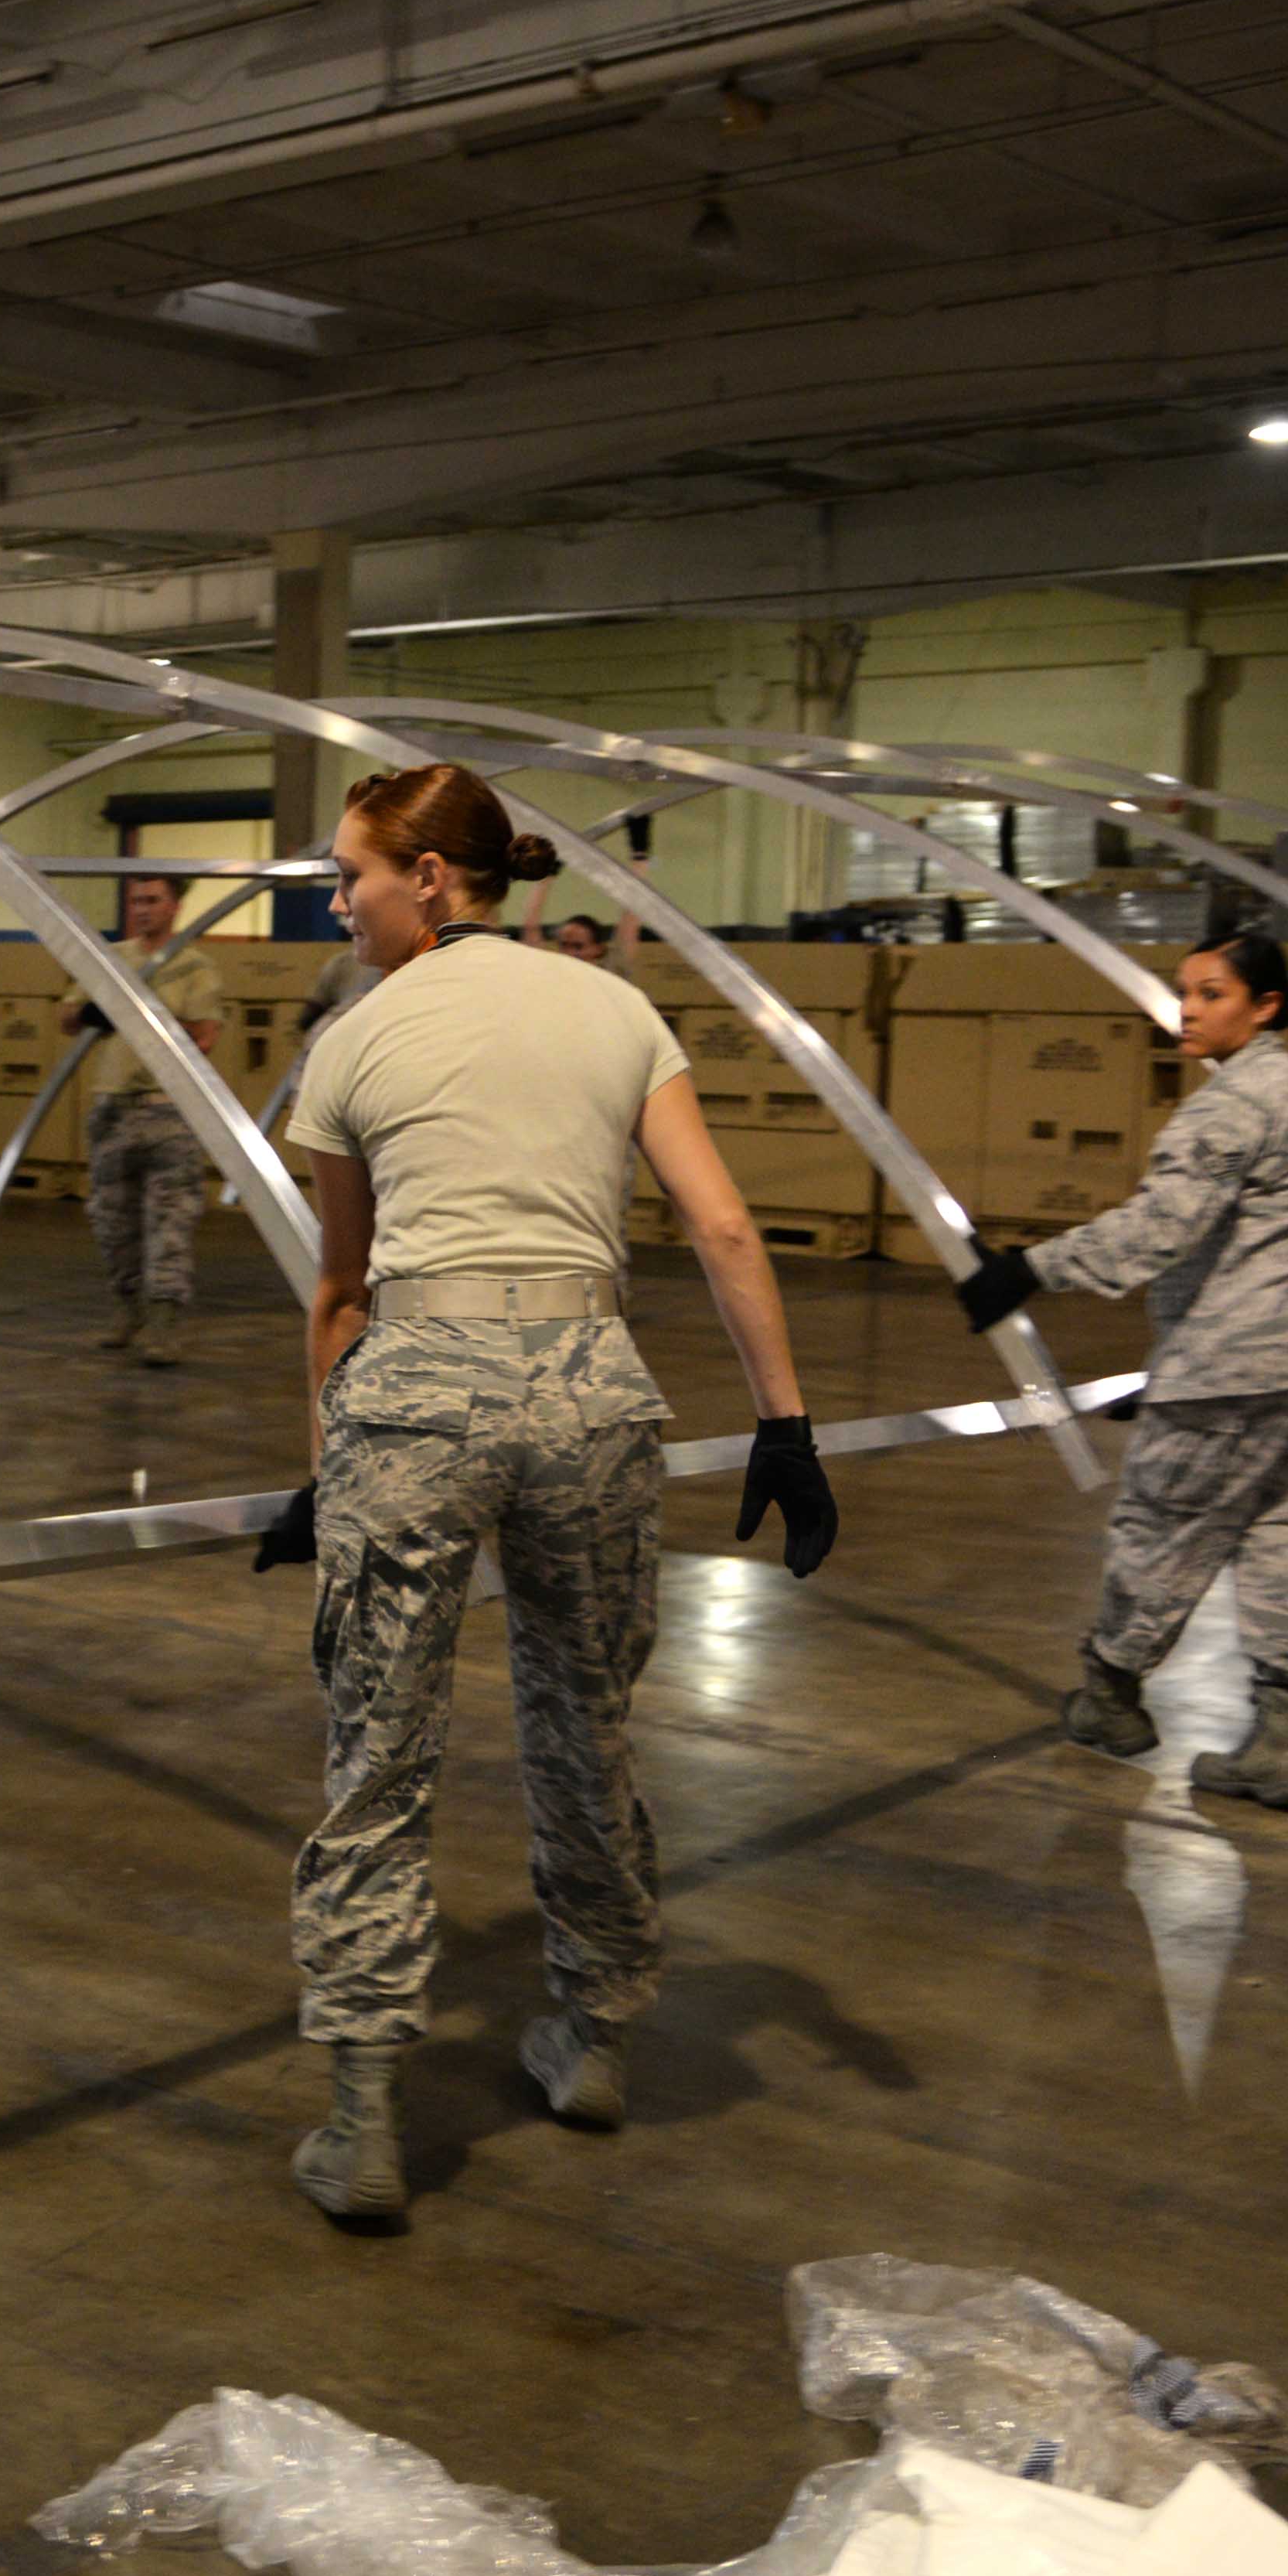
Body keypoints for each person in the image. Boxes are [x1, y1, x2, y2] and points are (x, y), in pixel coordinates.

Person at [253, 767, 834, 2226]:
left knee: (380, 1750)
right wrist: (786, 1423)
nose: (341, 901)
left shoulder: (352, 1041)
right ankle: (592, 2035)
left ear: (433, 880)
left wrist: (327, 1474)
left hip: (418, 1391)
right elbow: (720, 1221)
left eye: (354, 876)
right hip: (589, 1384)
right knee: (586, 1720)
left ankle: (365, 2116)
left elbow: (338, 1293)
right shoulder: (616, 1009)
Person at [957, 931, 1288, 1813]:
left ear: (1264, 1006)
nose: (1187, 1011)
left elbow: (1163, 1229)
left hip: (1244, 1361)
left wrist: (1027, 1268)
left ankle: (1110, 1699)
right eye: (1183, 993)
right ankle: (1280, 1741)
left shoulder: (1227, 1104)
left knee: (1163, 1525)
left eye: (1211, 995)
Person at [70, 869, 222, 1363]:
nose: (142, 909)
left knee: (169, 1221)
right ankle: (127, 1307)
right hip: (113, 1110)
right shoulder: (111, 960)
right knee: (112, 1219)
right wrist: (96, 1011)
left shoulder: (194, 967)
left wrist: (146, 1014)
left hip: (167, 1111)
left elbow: (203, 1036)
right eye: (136, 900)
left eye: (153, 899)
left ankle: (163, 1322)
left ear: (175, 906)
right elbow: (67, 1014)